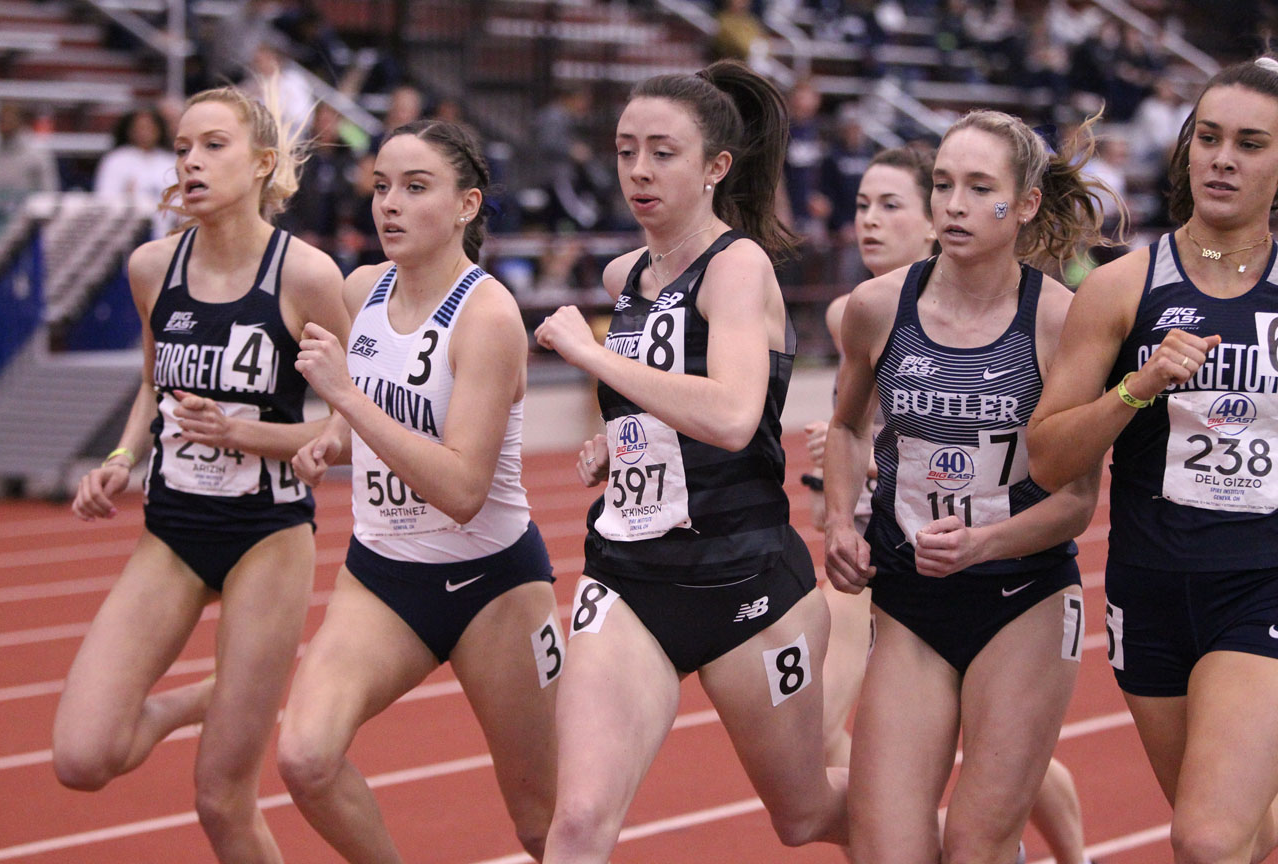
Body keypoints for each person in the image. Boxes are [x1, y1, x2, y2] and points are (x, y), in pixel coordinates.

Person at [534, 59, 850, 862]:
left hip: (744, 584)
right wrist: (622, 435)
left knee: (805, 815)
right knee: (574, 827)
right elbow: (669, 399)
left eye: (662, 153)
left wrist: (591, 355)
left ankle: (961, 846)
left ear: (716, 168)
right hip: (631, 576)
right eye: (625, 150)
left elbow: (736, 415)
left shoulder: (737, 267)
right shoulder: (626, 276)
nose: (638, 171)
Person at [52, 84, 351, 864]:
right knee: (81, 760)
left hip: (266, 538)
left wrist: (263, 436)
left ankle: (233, 706)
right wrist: (120, 458)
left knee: (220, 800)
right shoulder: (152, 267)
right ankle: (204, 699)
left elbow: (358, 418)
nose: (190, 160)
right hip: (172, 528)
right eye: (183, 146)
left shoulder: (308, 276)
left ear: (260, 164)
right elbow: (154, 383)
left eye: (212, 145)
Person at [823, 109, 1115, 864]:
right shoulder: (879, 307)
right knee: (889, 848)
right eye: (944, 184)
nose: (951, 204)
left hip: (1023, 596)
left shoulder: (1059, 322)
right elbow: (849, 429)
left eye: (977, 187)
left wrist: (983, 542)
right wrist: (838, 526)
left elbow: (1078, 501)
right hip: (912, 596)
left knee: (977, 847)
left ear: (1023, 204)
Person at [278, 118, 561, 863]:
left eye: (415, 187)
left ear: (467, 206)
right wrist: (329, 440)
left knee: (543, 826)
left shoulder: (489, 315)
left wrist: (346, 404)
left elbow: (463, 487)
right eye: (380, 187)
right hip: (383, 574)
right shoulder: (361, 289)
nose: (388, 206)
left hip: (493, 583)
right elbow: (367, 412)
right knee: (305, 758)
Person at [1028, 56, 1278, 864]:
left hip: (1262, 584)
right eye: (1208, 138)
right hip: (1152, 592)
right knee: (1239, 834)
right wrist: (1134, 390)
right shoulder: (1123, 288)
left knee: (1202, 839)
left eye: (1249, 143)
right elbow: (1044, 454)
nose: (1222, 159)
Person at [93, 107, 178, 237]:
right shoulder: (116, 160)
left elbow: (181, 199)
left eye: (150, 128)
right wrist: (128, 200)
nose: (145, 133)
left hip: (167, 231)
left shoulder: (170, 161)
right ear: (129, 130)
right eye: (140, 128)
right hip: (127, 233)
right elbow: (104, 200)